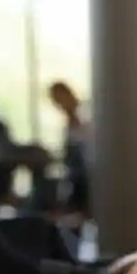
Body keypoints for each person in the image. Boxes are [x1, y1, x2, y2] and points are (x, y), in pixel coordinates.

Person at [48, 82, 92, 213]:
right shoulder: (67, 127)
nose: (60, 105)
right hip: (77, 173)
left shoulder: (88, 114)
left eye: (60, 98)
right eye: (56, 101)